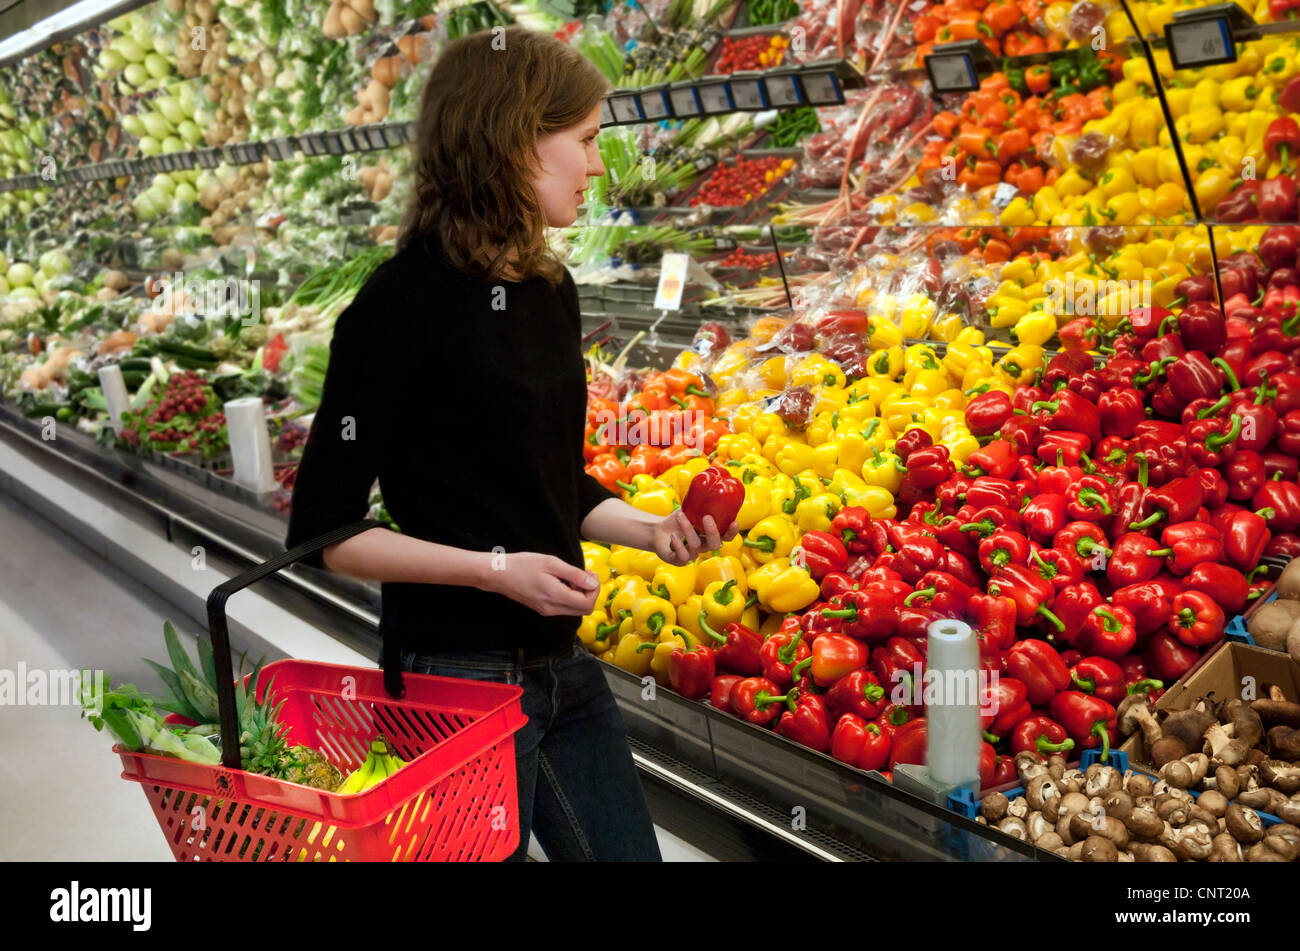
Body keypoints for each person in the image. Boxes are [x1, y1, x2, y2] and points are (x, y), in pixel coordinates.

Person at [285, 26, 736, 861]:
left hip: (562, 668)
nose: (598, 166)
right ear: (515, 140)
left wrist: (648, 527)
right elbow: (326, 531)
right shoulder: (396, 308)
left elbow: (550, 476)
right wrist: (498, 570)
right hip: (453, 679)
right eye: (587, 142)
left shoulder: (547, 288)